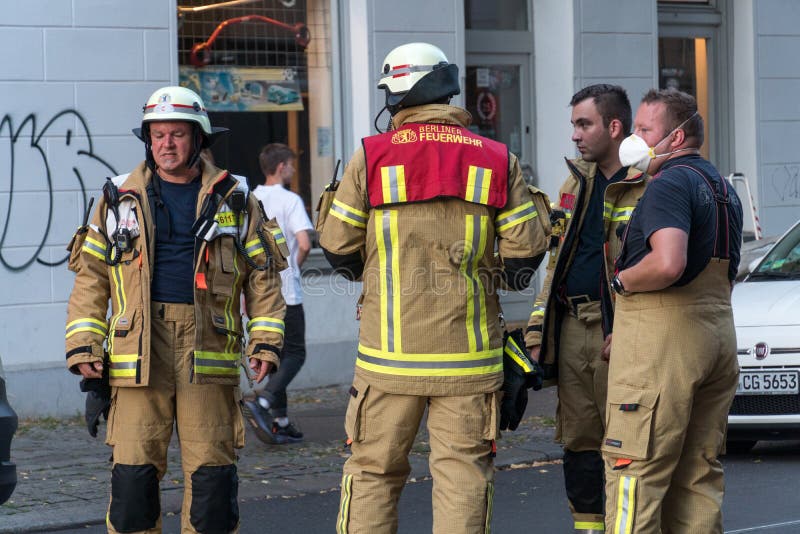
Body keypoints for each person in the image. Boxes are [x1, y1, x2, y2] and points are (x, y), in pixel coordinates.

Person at [319, 42, 549, 533]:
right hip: (469, 361)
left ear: (397, 94)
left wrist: (377, 274)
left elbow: (337, 248)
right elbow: (524, 257)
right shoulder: (497, 158)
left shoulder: (371, 156)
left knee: (373, 474)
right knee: (463, 476)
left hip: (387, 359)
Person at [64, 86, 287, 534]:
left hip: (207, 351)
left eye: (178, 134)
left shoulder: (235, 198)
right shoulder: (117, 198)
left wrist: (265, 340)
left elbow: (263, 277)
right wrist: (84, 343)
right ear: (148, 140)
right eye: (158, 135)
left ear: (198, 139)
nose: (166, 144)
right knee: (133, 484)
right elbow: (92, 277)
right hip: (138, 351)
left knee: (212, 486)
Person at [603, 89, 743, 533]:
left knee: (633, 470)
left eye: (645, 129)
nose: (633, 138)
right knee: (697, 475)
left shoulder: (668, 184)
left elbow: (668, 263)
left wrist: (621, 282)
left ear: (676, 137)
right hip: (715, 339)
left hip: (662, 351)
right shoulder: (722, 188)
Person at [524, 84, 646, 534]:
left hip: (622, 333)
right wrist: (537, 332)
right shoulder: (574, 183)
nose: (574, 135)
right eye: (573, 124)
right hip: (574, 328)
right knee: (578, 441)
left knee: (627, 441)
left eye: (584, 124)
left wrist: (632, 328)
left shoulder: (646, 184)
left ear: (614, 127)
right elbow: (555, 263)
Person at [243, 143, 313, 444]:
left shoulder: (250, 198)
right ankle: (263, 400)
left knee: (274, 353)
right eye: (292, 165)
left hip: (256, 291)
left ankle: (280, 421)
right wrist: (293, 268)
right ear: (282, 166)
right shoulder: (290, 200)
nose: (294, 170)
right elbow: (305, 243)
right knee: (295, 353)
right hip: (286, 291)